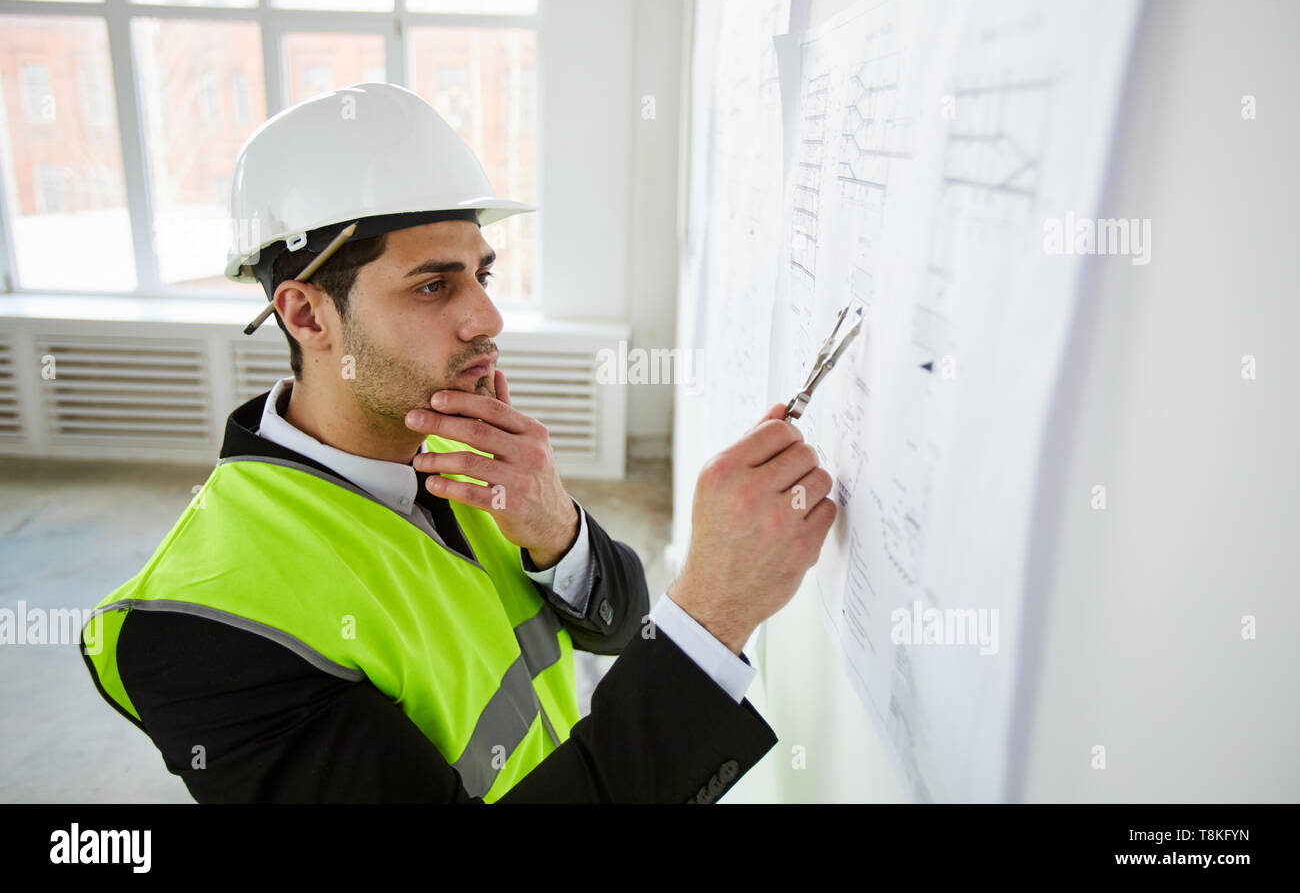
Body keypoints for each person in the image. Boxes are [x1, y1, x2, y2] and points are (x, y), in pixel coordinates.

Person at [80, 83, 837, 802]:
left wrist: (557, 534)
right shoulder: (200, 629)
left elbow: (614, 620)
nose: (489, 318)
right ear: (307, 315)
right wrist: (711, 616)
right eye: (434, 286)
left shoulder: (473, 450)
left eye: (483, 273)